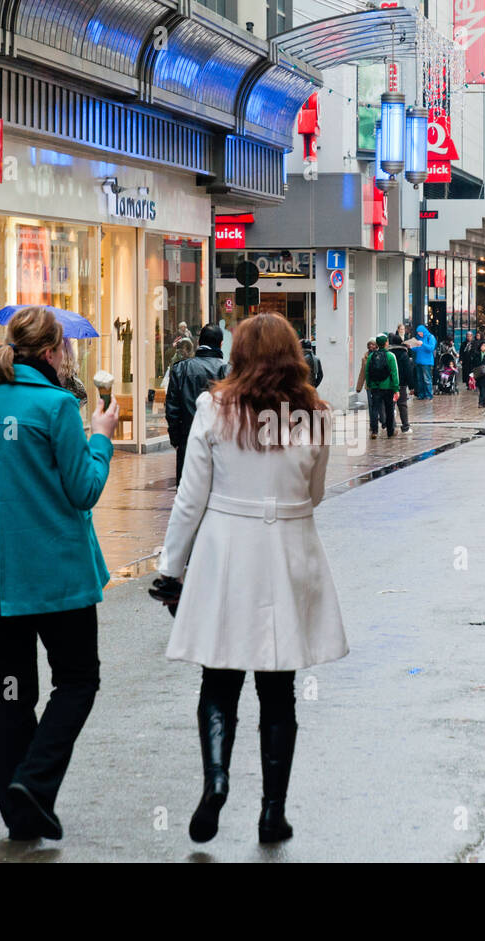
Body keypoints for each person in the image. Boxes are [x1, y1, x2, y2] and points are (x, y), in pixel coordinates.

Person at [154, 312, 348, 844]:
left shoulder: (215, 408)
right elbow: (315, 494)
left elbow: (190, 496)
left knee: (218, 677)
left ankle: (216, 781)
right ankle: (272, 811)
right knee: (278, 687)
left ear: (238, 355)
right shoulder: (315, 415)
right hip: (287, 547)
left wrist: (171, 569)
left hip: (225, 550)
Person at [0, 307, 119, 841]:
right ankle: (35, 781)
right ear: (50, 353)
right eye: (65, 347)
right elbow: (84, 489)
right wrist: (102, 437)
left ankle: (18, 805)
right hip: (59, 573)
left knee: (13, 691)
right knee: (77, 680)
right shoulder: (58, 406)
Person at [166, 323, 229, 485]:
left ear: (199, 343)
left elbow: (172, 409)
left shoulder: (181, 369)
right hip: (219, 444)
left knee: (187, 490)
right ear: (221, 344)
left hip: (188, 441)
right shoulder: (227, 371)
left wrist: (177, 441)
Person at [356, 333, 399, 438]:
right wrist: (396, 388)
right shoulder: (390, 356)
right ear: (385, 343)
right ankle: (390, 431)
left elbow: (367, 372)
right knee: (389, 409)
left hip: (375, 387)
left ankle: (374, 431)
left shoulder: (371, 356)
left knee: (374, 409)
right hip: (387, 387)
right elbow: (394, 373)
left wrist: (370, 384)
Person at [387, 332, 414, 434]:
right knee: (402, 405)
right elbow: (408, 371)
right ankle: (405, 426)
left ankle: (392, 425)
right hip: (401, 383)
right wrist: (411, 386)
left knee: (390, 405)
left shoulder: (389, 354)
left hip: (390, 383)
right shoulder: (404, 354)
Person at [409, 323, 436, 399]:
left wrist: (423, 344)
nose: (419, 334)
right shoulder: (418, 338)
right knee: (420, 380)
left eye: (420, 332)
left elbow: (431, 348)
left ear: (424, 331)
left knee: (427, 379)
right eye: (418, 332)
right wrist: (411, 347)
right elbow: (417, 349)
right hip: (419, 362)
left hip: (427, 363)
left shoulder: (430, 337)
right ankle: (421, 395)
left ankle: (428, 395)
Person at [473, 339, 485, 408]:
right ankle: (484, 402)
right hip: (478, 373)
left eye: (484, 346)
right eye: (482, 345)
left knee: (483, 388)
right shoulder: (476, 354)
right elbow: (473, 364)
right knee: (480, 388)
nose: (483, 347)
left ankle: (480, 403)